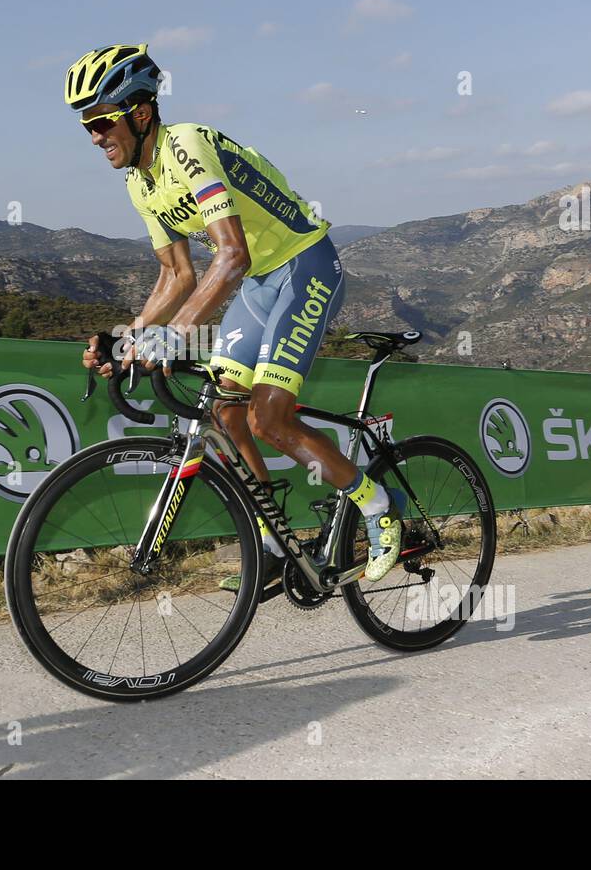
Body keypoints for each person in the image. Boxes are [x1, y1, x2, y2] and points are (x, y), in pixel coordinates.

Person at [68, 43, 404, 588]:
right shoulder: (139, 181)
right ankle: (274, 543)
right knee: (225, 412)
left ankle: (376, 503)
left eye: (102, 121)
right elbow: (175, 276)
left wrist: (175, 336)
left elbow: (231, 255)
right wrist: (126, 338)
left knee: (269, 418)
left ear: (141, 112)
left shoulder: (186, 147)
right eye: (86, 126)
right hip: (258, 285)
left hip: (304, 266)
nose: (95, 137)